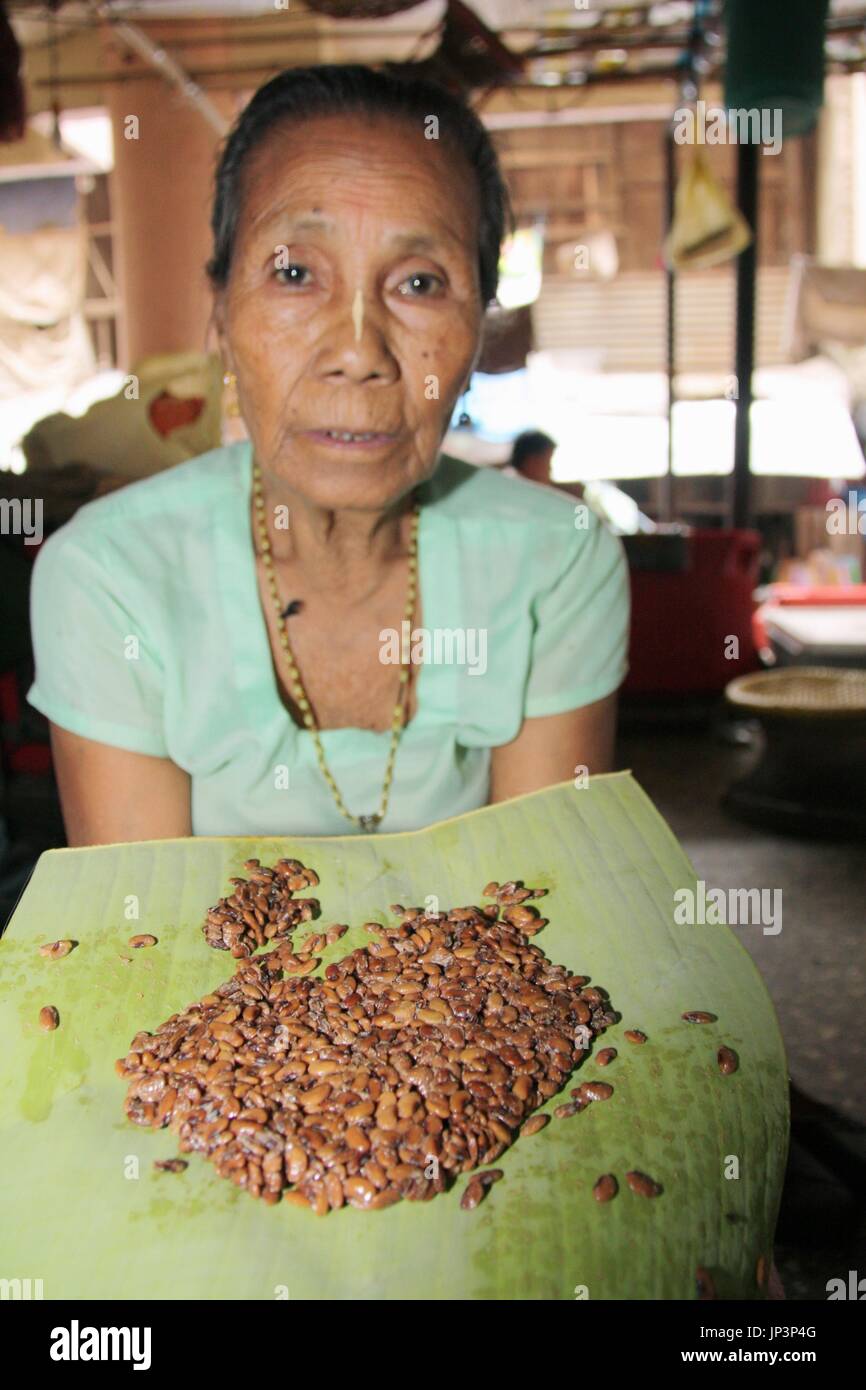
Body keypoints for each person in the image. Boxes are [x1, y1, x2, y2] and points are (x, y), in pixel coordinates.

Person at [26, 64, 629, 845]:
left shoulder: (557, 562)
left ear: (479, 325)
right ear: (222, 309)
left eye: (418, 282)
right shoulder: (109, 576)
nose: (357, 351)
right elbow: (146, 939)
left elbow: (543, 904)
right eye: (295, 272)